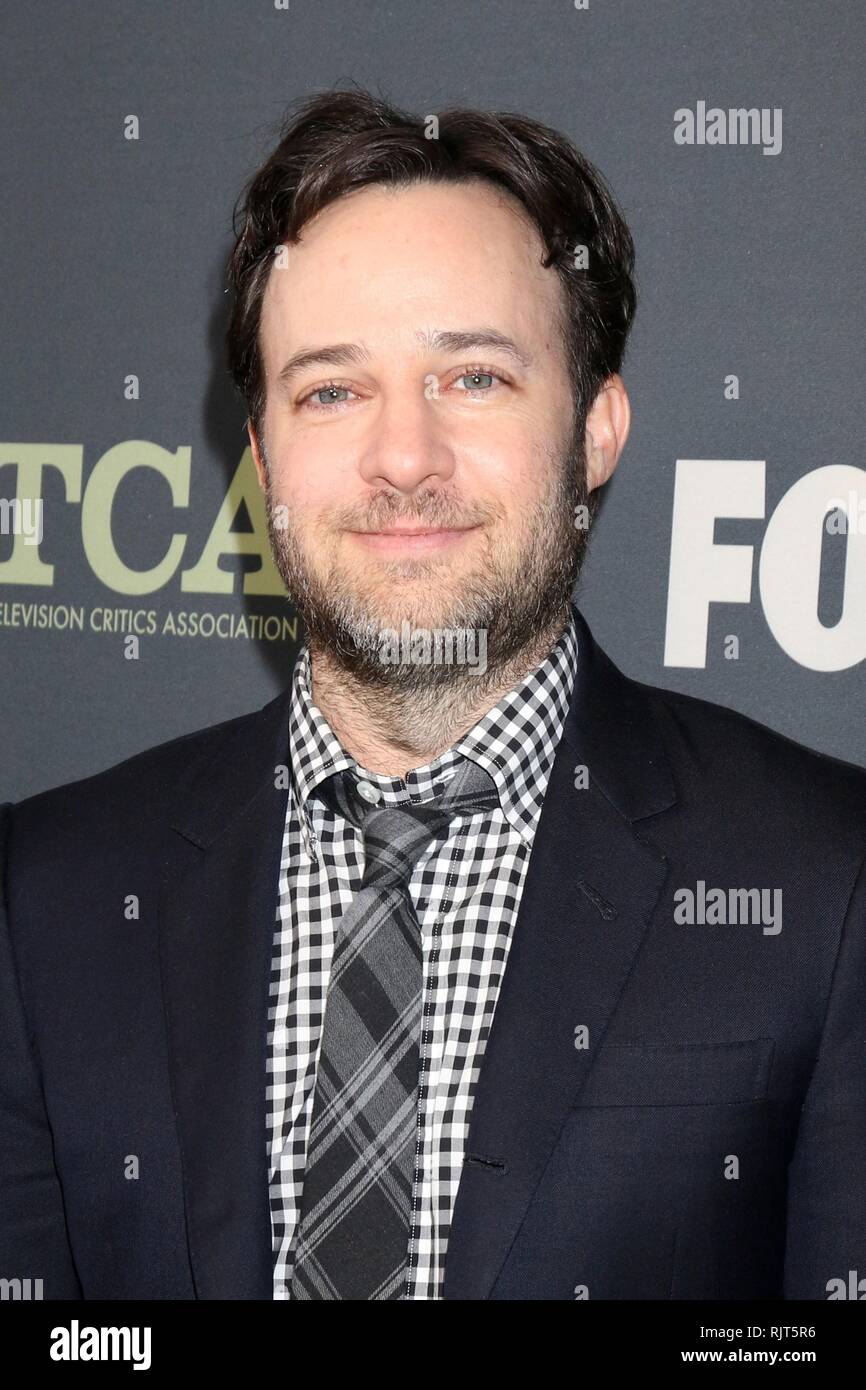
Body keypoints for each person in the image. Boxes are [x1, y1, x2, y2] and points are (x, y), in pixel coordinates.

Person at [1, 88, 864, 1301]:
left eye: (470, 378)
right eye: (331, 390)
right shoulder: (45, 899)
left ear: (596, 426)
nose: (402, 457)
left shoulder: (824, 886)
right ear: (261, 462)